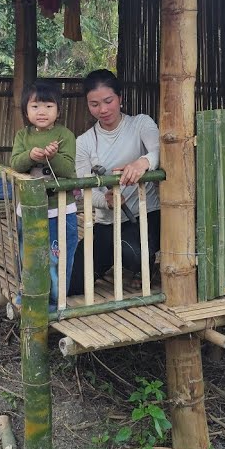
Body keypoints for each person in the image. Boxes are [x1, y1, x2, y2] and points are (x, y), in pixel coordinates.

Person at [74, 69, 160, 288]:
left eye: (108, 101)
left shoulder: (141, 124)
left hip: (145, 216)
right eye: (94, 104)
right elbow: (85, 190)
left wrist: (143, 163)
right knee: (73, 280)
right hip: (106, 223)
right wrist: (107, 201)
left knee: (132, 253)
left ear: (120, 98)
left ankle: (144, 263)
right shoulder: (83, 143)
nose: (102, 109)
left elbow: (158, 151)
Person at [8, 80, 78, 305]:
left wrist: (52, 157)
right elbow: (15, 164)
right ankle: (26, 294)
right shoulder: (23, 136)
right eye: (35, 106)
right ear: (25, 110)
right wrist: (31, 156)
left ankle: (54, 301)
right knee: (26, 253)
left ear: (58, 110)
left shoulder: (65, 135)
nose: (42, 112)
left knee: (57, 258)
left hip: (60, 210)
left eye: (49, 106)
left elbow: (68, 170)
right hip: (27, 209)